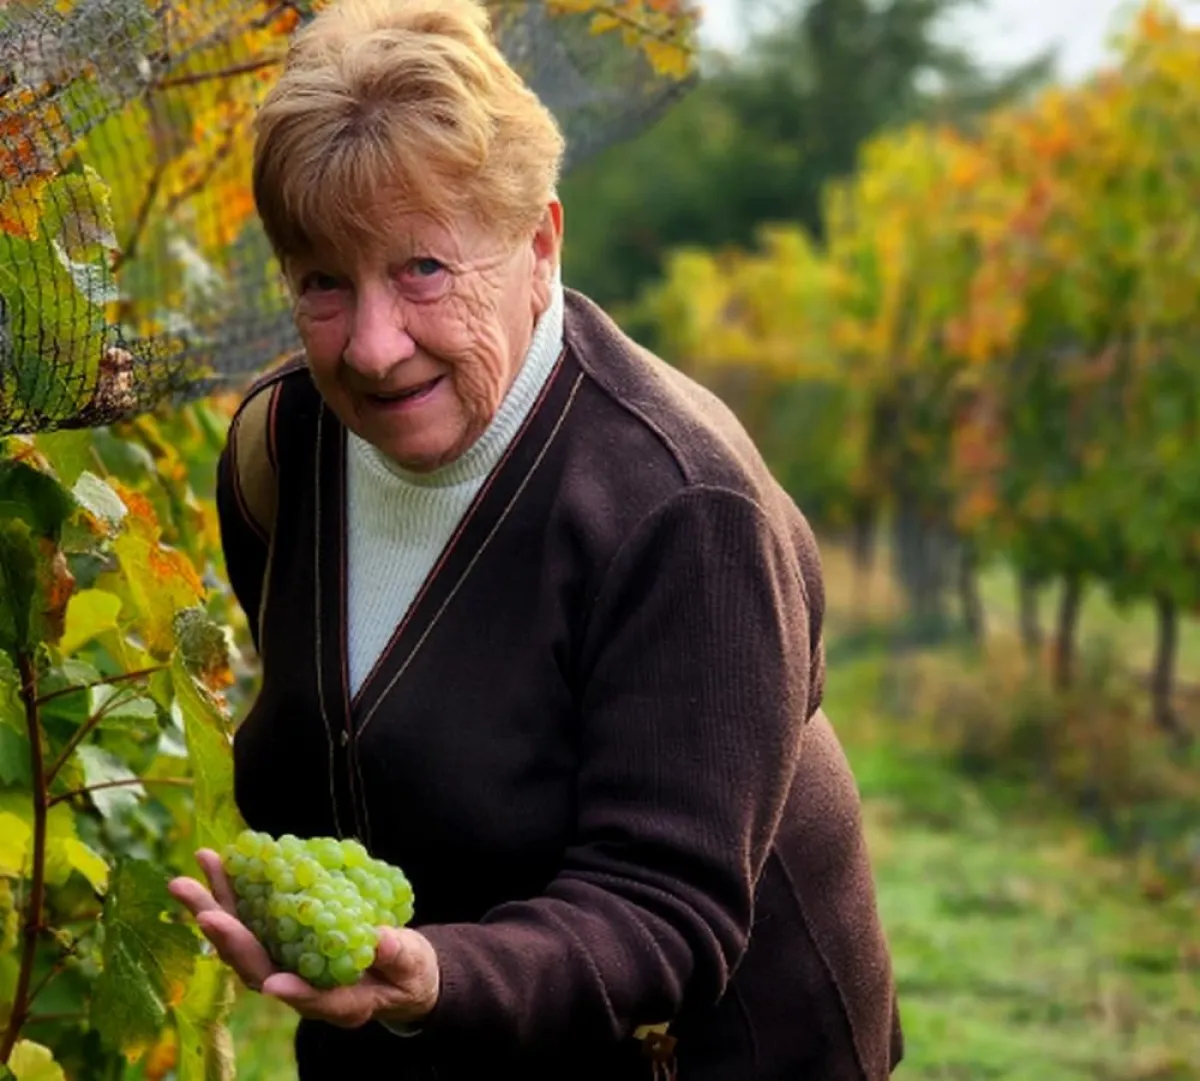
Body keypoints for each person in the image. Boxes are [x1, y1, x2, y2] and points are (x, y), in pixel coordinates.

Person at [168, 0, 904, 1076]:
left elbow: (664, 908)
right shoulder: (281, 451)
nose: (373, 349)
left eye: (423, 268)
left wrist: (439, 979)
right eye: (324, 281)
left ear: (539, 243)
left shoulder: (681, 509)